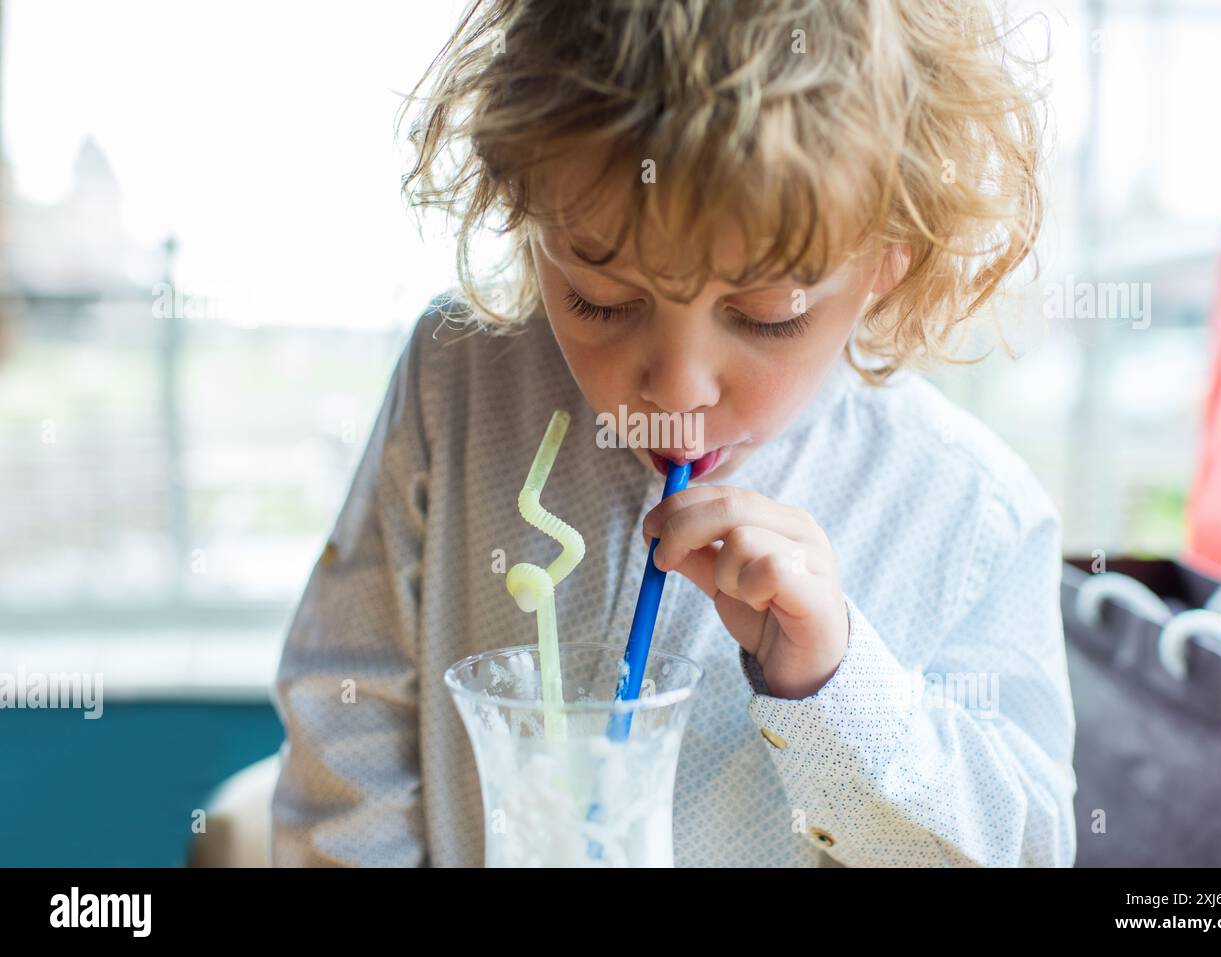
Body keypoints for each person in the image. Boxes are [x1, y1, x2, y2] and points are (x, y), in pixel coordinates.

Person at [271, 0, 1077, 866]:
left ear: (887, 263)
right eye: (601, 299)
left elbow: (1025, 848)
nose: (677, 389)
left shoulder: (974, 519)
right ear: (527, 212)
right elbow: (346, 718)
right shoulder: (457, 376)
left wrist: (838, 688)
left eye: (767, 315)